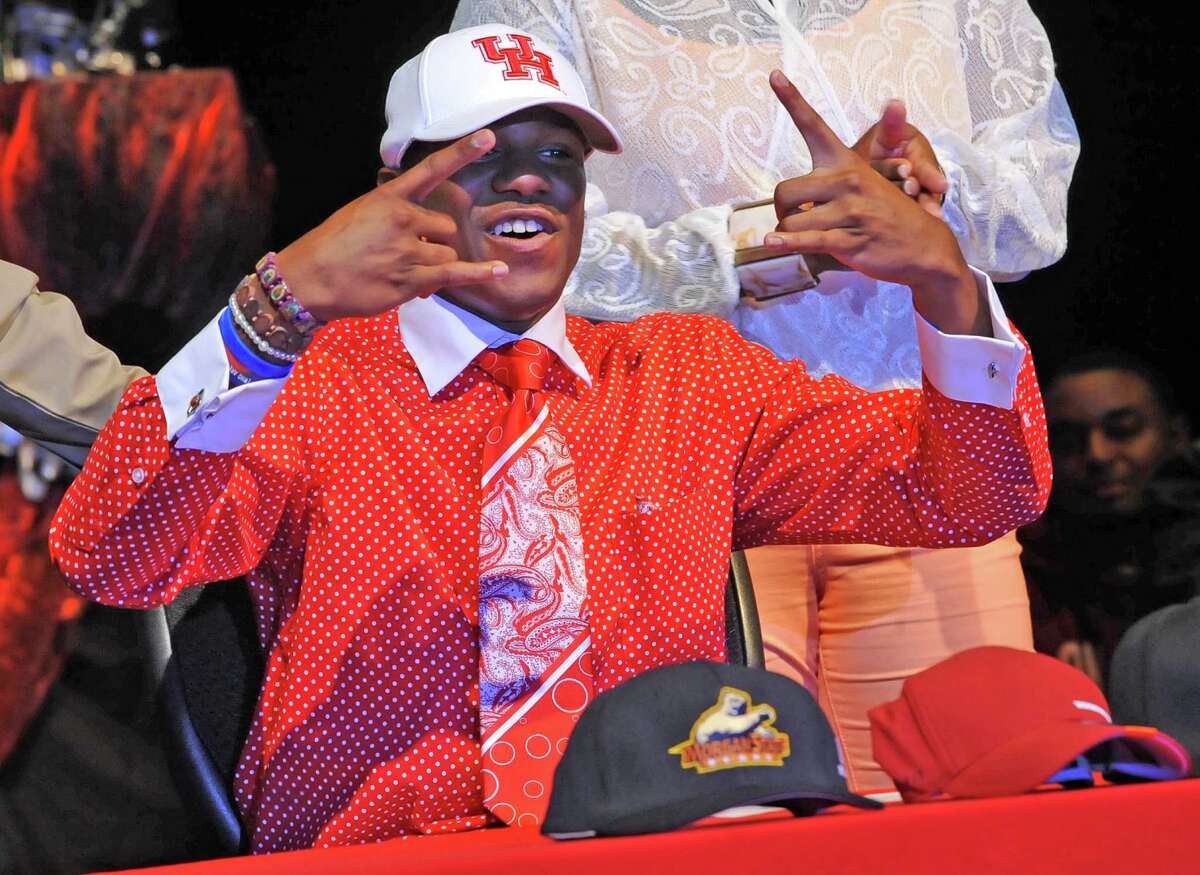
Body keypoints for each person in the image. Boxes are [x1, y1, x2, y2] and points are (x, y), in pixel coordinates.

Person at [50, 25, 1050, 853]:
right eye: (482, 157)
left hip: (650, 841)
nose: (528, 183)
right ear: (393, 180)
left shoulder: (690, 375)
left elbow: (969, 492)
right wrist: (270, 313)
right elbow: (115, 555)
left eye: (558, 159)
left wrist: (950, 290)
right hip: (381, 853)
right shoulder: (314, 378)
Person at [449, 0, 1079, 790]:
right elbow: (510, 241)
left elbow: (1037, 214)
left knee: (971, 814)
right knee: (723, 826)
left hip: (925, 464)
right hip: (681, 484)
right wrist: (777, 240)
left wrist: (927, 194)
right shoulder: (545, 8)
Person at [1021, 351, 1200, 689]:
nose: (1097, 455)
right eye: (1068, 441)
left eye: (1123, 431)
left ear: (1177, 435)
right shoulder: (1027, 567)